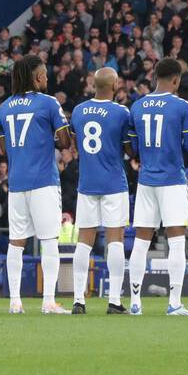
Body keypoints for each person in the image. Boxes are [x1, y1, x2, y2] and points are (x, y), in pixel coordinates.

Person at [0, 54, 71, 314]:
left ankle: (15, 302)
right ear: (37, 77)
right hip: (43, 181)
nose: (48, 78)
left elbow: (3, 147)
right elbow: (64, 142)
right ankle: (48, 301)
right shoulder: (49, 103)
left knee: (16, 242)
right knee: (50, 241)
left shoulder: (5, 107)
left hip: (17, 182)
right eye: (45, 74)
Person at [127, 56, 188, 316]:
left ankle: (135, 302)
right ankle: (175, 302)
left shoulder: (138, 106)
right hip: (171, 179)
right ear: (177, 80)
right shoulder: (181, 107)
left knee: (141, 241)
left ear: (155, 76)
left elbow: (133, 147)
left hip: (146, 180)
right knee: (177, 241)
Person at [67, 66, 131, 315]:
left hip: (87, 182)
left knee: (84, 242)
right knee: (115, 240)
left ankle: (78, 301)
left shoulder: (80, 111)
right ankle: (114, 300)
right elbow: (128, 146)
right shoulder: (120, 112)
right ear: (114, 86)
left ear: (94, 85)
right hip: (113, 182)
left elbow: (74, 143)